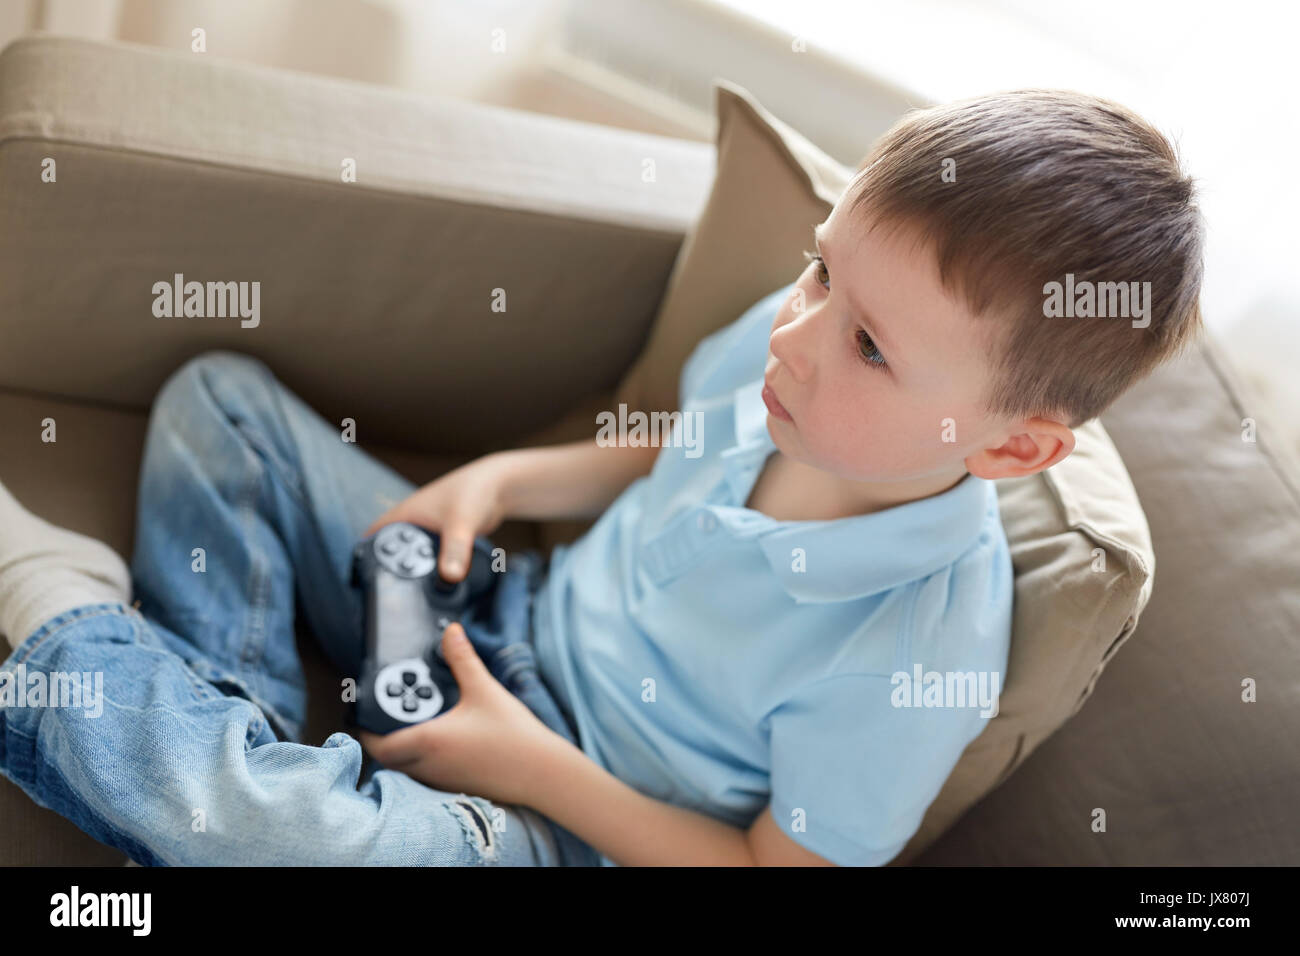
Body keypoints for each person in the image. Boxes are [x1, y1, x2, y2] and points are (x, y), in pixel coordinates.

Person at [0, 89, 1204, 866]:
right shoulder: (797, 355)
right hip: (495, 613)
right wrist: (504, 480)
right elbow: (673, 441)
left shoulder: (920, 645)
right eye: (818, 269)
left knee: (293, 834)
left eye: (872, 343)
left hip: (554, 816)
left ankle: (58, 618)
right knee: (222, 404)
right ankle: (231, 742)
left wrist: (523, 764)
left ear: (1010, 448)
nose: (799, 331)